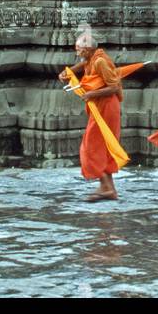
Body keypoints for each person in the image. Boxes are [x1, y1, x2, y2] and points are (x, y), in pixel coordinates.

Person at [60, 31, 124, 202]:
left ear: (88, 49)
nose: (77, 53)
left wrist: (91, 95)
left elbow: (114, 86)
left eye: (79, 49)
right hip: (100, 106)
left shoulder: (101, 61)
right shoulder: (93, 58)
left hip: (107, 106)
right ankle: (108, 189)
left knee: (90, 147)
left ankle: (106, 186)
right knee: (102, 146)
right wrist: (68, 72)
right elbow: (83, 64)